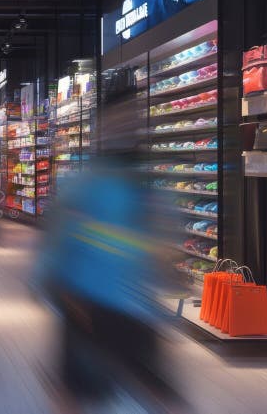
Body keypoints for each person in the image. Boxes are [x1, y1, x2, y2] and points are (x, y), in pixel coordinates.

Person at [32, 155, 189, 413]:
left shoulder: (81, 187)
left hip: (84, 299)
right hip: (128, 303)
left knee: (72, 388)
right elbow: (160, 249)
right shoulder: (141, 190)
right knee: (156, 386)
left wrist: (46, 283)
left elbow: (57, 243)